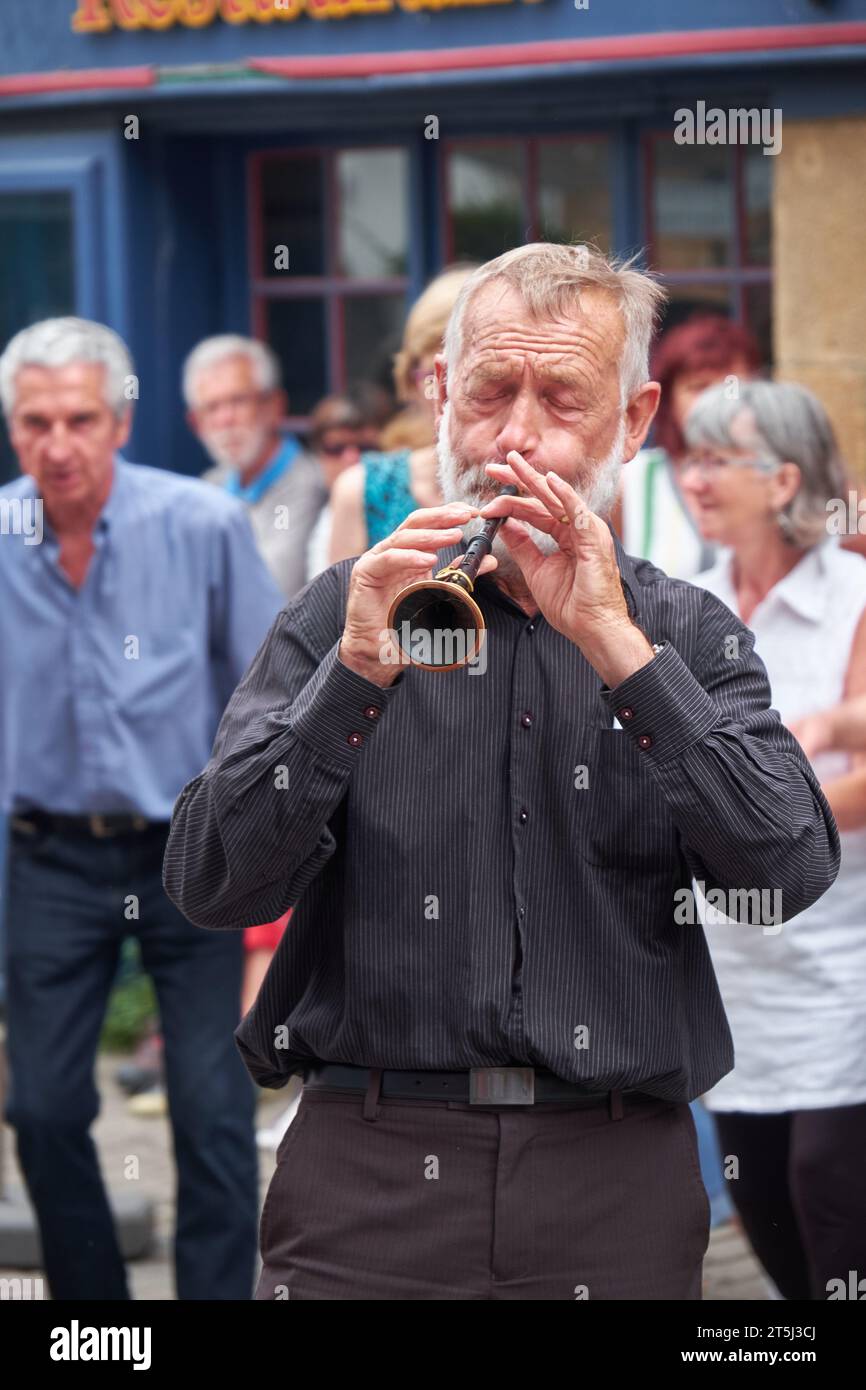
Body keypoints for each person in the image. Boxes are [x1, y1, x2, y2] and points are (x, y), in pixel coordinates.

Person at [163, 243, 838, 1302]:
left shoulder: (682, 631)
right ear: (439, 396)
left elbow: (787, 868)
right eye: (489, 392)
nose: (516, 435)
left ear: (630, 419)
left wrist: (617, 650)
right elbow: (212, 882)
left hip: (611, 1175)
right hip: (366, 1171)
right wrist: (350, 677)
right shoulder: (345, 611)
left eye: (561, 398)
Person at [0, 317, 283, 1300]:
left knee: (209, 1107)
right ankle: (100, 1321)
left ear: (119, 421)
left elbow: (263, 689)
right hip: (48, 854)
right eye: (34, 422)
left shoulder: (198, 527)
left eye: (79, 417)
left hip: (184, 851)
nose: (57, 444)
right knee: (39, 1107)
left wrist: (263, 839)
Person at [680, 379, 866, 1300]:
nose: (694, 477)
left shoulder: (855, 597)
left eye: (720, 459)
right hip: (731, 966)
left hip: (841, 956)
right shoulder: (689, 605)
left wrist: (761, 821)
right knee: (764, 1207)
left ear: (786, 478)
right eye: (691, 456)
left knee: (831, 1191)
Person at [328, 265, 476, 563]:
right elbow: (343, 606)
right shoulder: (361, 490)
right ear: (408, 380)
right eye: (435, 378)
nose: (454, 395)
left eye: (477, 378)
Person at [614, 314, 761, 578]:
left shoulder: (775, 474)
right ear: (667, 399)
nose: (713, 404)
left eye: (729, 388)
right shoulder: (631, 482)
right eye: (699, 388)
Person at [184, 333, 327, 600]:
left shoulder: (312, 483)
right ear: (195, 422)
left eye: (238, 401)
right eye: (212, 407)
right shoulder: (208, 486)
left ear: (273, 406)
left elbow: (272, 589)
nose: (226, 419)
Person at [305, 394, 381, 583]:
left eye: (365, 448)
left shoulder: (386, 513)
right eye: (336, 448)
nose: (351, 458)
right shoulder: (313, 506)